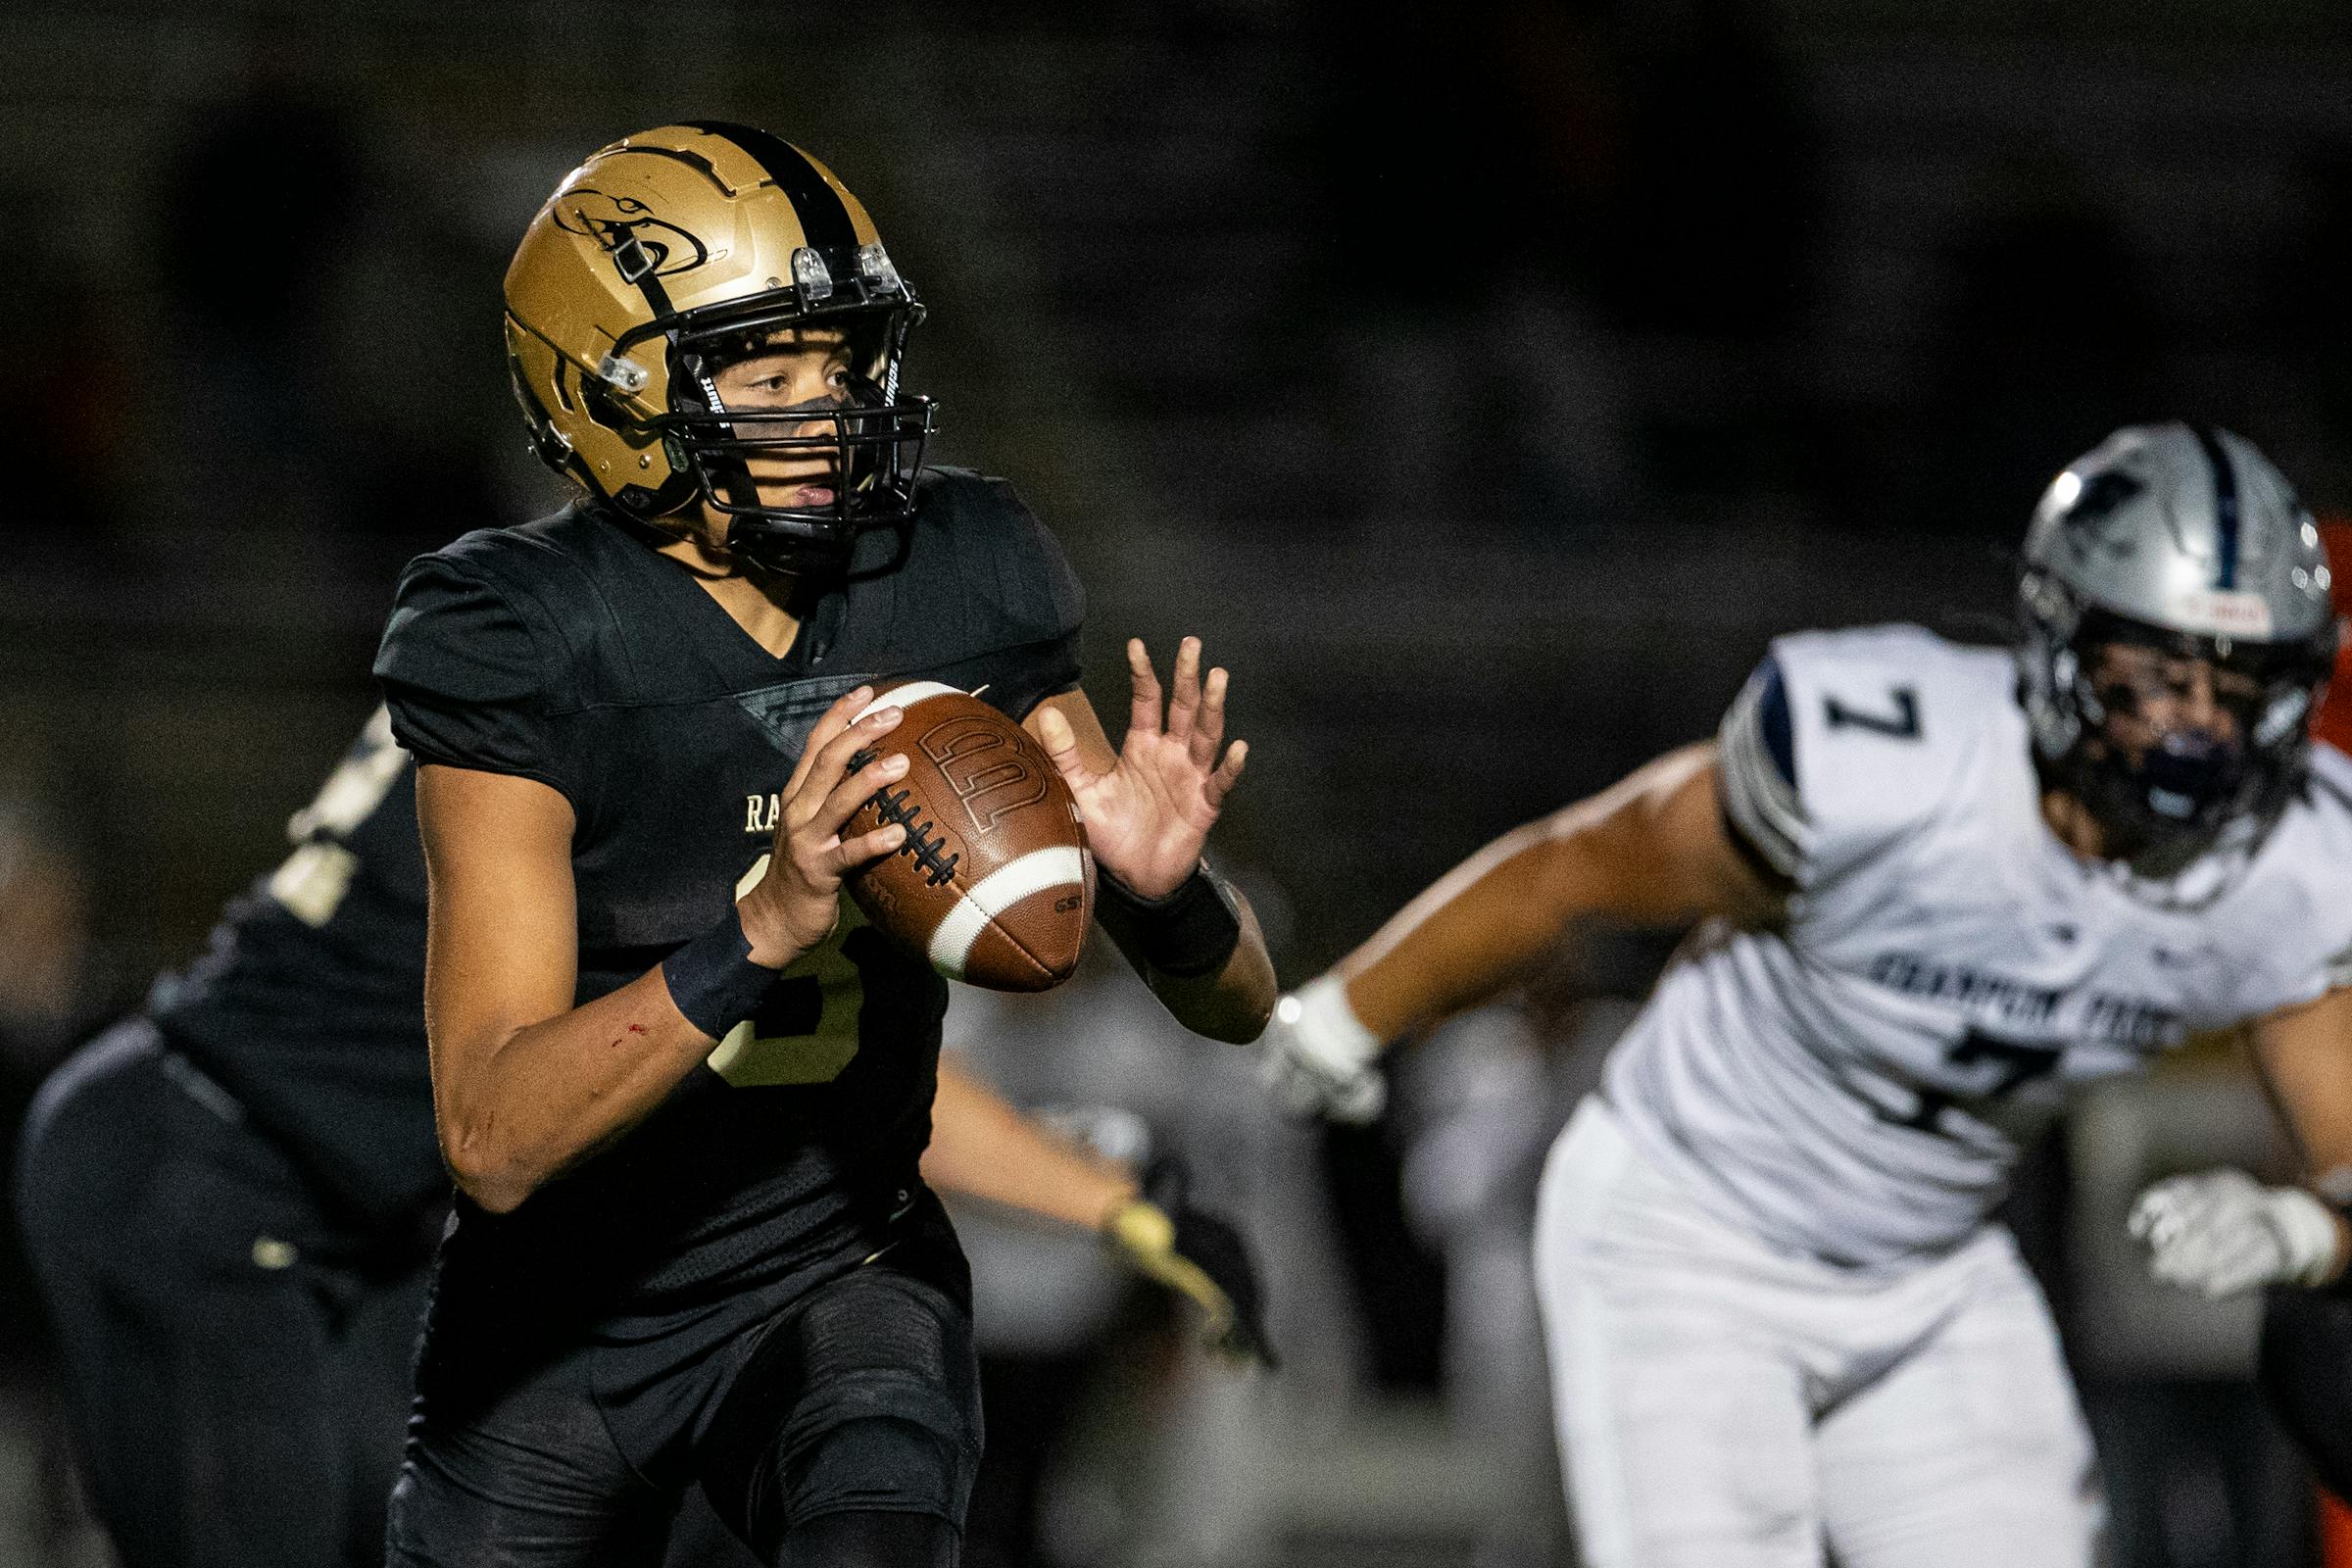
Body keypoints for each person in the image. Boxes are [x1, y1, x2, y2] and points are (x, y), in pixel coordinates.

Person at [369, 122, 1275, 1567]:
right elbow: (492, 1137)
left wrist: (1167, 903)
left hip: (839, 1269)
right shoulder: (524, 633)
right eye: (768, 373)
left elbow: (1244, 1009)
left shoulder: (954, 570)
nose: (827, 410)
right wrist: (758, 930)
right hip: (566, 1320)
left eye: (841, 366)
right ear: (609, 390)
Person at [1259, 421, 2352, 1567]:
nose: (2201, 726)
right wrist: (1349, 1010)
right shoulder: (1892, 767)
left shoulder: (2289, 865)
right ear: (2063, 640)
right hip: (1688, 1233)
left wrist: (2301, 1229)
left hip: (1933, 1269)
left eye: (2239, 686)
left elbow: (2343, 1166)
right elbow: (1577, 867)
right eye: (2161, 676)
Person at [13, 707, 1269, 1568]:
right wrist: (1107, 1197)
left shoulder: (585, 662)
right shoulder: (621, 723)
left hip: (368, 1216)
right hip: (208, 1174)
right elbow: (823, 1074)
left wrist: (1106, 1195)